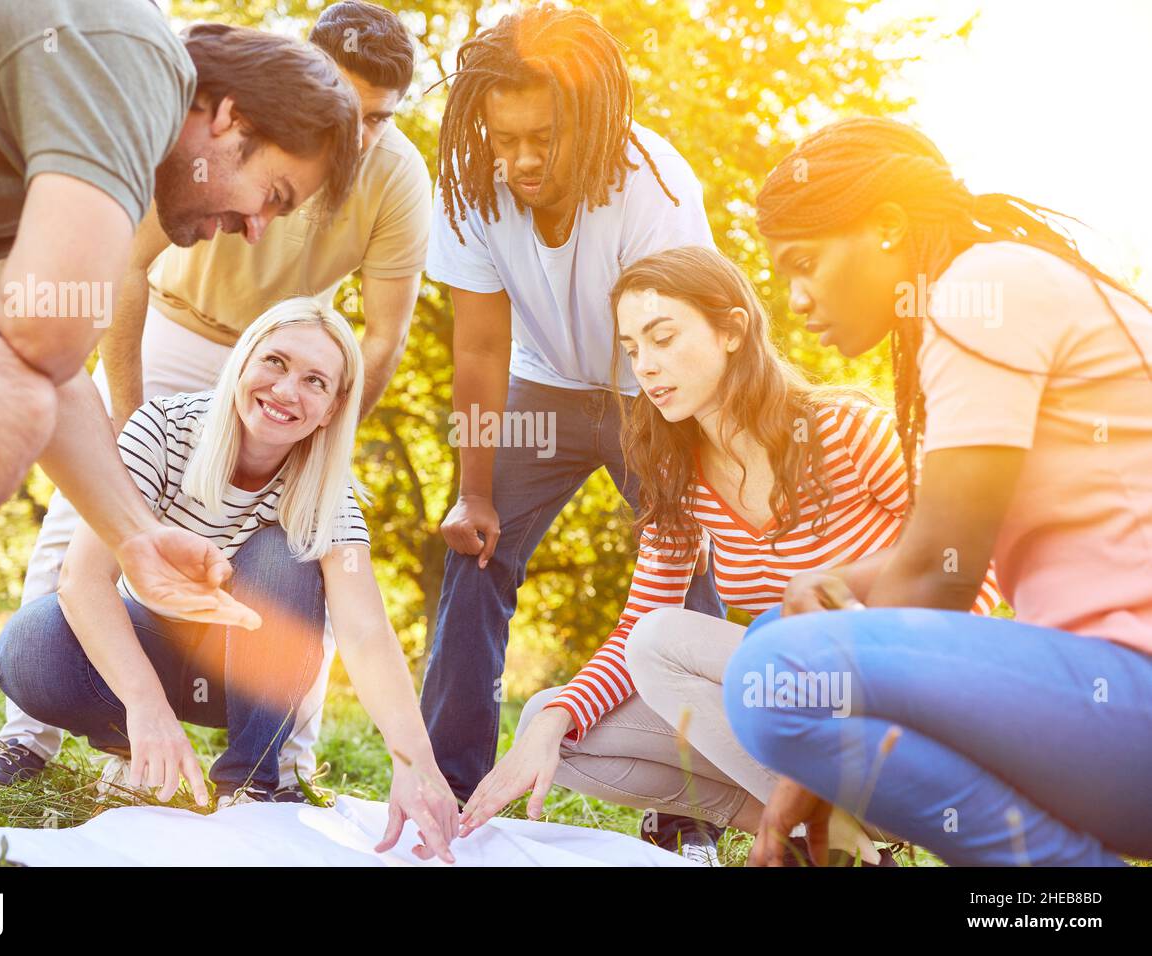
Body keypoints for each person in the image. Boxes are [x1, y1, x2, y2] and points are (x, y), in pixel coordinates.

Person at [0, 1, 428, 793]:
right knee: (83, 519)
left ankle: (275, 769)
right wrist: (130, 426)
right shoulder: (177, 132)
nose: (359, 134)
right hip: (176, 329)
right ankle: (26, 738)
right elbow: (119, 275)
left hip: (290, 362)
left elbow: (382, 337)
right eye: (345, 107)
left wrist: (320, 440)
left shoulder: (396, 176)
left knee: (297, 545)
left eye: (377, 118)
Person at [0, 1, 362, 665]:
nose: (260, 227)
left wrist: (136, 538)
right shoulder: (139, 67)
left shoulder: (50, 140)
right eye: (274, 193)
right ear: (230, 117)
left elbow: (31, 367)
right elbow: (40, 341)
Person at [459, 246, 1002, 864]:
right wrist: (559, 716)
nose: (647, 367)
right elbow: (635, 626)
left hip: (909, 710)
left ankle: (830, 828)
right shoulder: (679, 481)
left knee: (665, 638)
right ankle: (814, 836)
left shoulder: (847, 432)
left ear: (733, 331)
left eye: (663, 338)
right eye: (634, 350)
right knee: (550, 724)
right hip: (811, 726)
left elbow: (970, 555)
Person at [722, 116, 1152, 866]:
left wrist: (798, 783)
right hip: (1106, 705)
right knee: (777, 641)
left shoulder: (982, 287)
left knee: (778, 675)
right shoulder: (986, 294)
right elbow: (948, 556)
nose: (794, 299)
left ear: (886, 226)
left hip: (1130, 698)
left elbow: (941, 575)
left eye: (805, 263)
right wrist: (831, 587)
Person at [0, 298, 459, 863]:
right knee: (32, 641)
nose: (287, 391)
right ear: (241, 362)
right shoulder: (163, 428)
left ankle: (251, 782)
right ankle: (135, 748)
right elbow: (83, 579)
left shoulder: (329, 495)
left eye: (315, 380)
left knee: (282, 548)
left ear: (334, 408)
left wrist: (416, 765)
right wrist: (146, 707)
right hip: (148, 650)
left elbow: (365, 634)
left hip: (240, 678)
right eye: (275, 363)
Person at [419, 5, 726, 833]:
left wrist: (676, 465)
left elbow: (683, 348)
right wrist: (472, 495)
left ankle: (687, 812)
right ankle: (448, 789)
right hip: (543, 388)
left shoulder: (653, 189)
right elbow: (480, 348)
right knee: (473, 553)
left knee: (693, 583)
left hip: (650, 397)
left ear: (590, 124)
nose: (520, 159)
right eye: (502, 136)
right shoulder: (469, 189)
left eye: (543, 138)